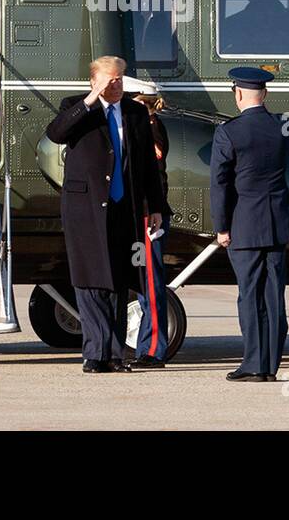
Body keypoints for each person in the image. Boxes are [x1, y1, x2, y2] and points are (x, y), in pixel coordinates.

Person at [44, 56, 167, 374]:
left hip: (123, 209)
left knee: (118, 280)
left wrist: (155, 206)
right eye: (109, 80)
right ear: (94, 81)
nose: (116, 85)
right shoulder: (76, 107)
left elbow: (148, 166)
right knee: (89, 281)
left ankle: (113, 355)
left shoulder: (137, 113)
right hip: (85, 210)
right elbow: (56, 133)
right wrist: (90, 100)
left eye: (120, 79)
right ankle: (93, 354)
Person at [211, 66, 289, 383]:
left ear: (237, 93)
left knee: (249, 295)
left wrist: (222, 227)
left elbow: (220, 184)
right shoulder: (282, 126)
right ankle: (271, 365)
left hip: (245, 226)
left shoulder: (228, 132)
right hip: (278, 221)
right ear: (264, 93)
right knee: (274, 295)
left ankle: (254, 363)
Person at [131, 90, 169, 369]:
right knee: (139, 282)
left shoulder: (151, 128)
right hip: (134, 215)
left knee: (150, 284)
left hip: (148, 216)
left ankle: (154, 348)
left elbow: (153, 168)